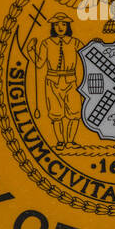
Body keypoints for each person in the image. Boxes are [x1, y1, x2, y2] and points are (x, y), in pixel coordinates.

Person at [25, 12, 82, 149]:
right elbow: (39, 64)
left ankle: (70, 141)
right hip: (52, 82)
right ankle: (60, 142)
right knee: (56, 113)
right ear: (53, 27)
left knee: (75, 112)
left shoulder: (75, 42)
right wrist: (30, 50)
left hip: (71, 81)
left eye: (63, 24)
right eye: (56, 24)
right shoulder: (47, 43)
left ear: (67, 26)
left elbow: (87, 53)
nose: (60, 27)